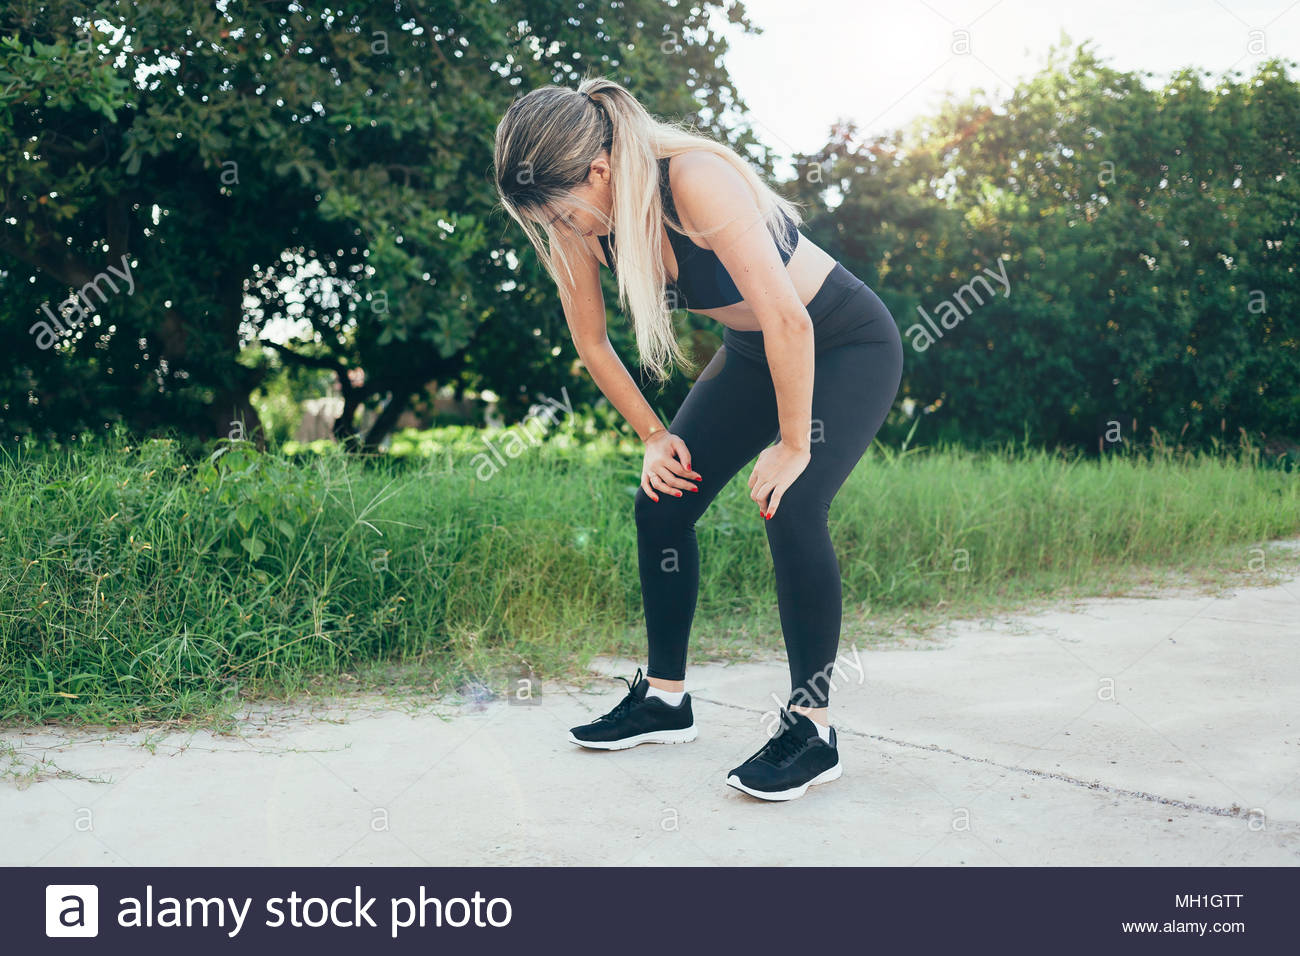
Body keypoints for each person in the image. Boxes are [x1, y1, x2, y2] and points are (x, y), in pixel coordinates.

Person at [492, 77, 903, 801]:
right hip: (755, 351)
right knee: (663, 498)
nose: (561, 229)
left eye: (561, 214)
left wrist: (794, 444)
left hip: (842, 341)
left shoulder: (695, 181)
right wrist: (653, 435)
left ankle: (812, 729)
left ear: (598, 171)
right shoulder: (575, 218)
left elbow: (789, 320)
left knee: (791, 502)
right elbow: (591, 342)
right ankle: (665, 699)